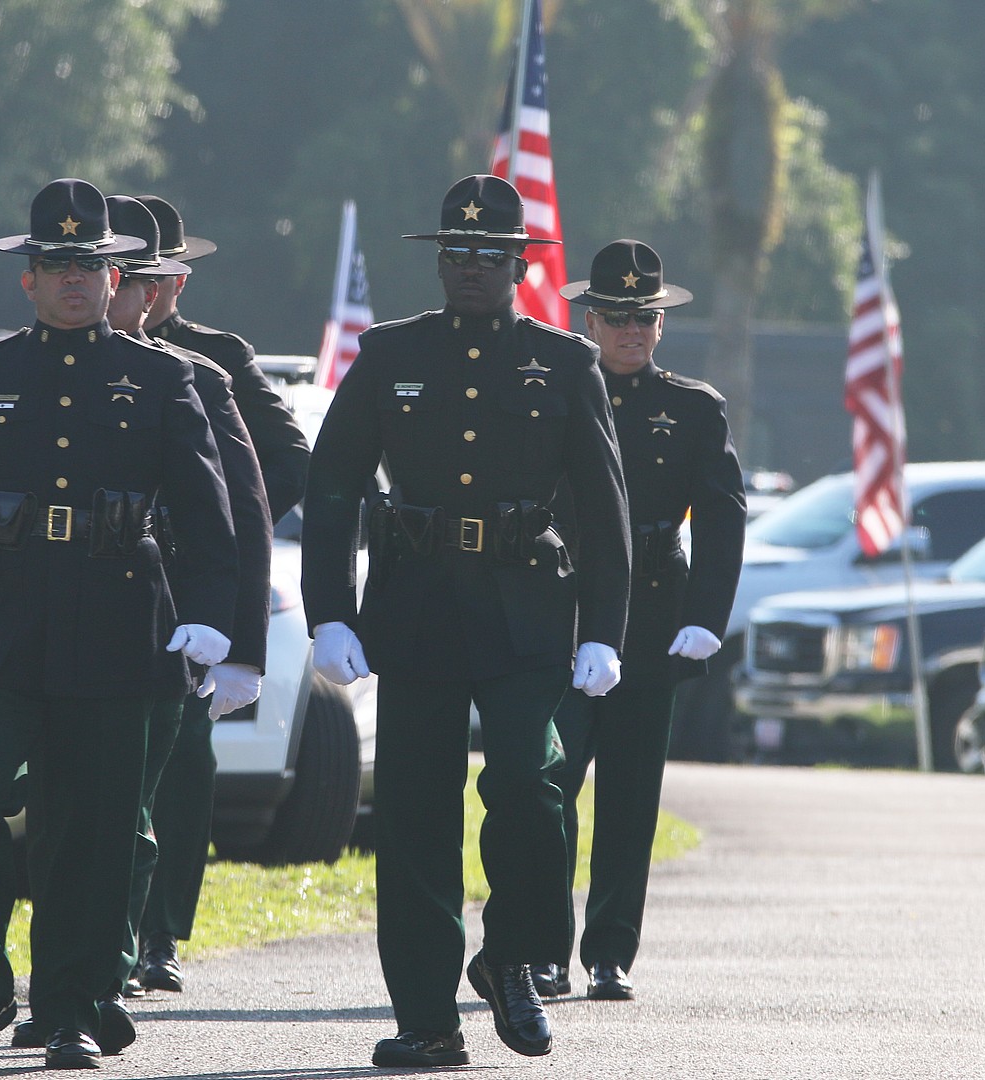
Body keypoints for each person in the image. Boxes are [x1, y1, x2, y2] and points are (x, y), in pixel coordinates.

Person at [0, 178, 238, 1070]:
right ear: (28, 280)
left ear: (117, 276)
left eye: (91, 264)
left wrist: (210, 620)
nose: (75, 280)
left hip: (123, 629)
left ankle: (74, 1002)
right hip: (7, 623)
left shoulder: (162, 378)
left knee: (98, 824)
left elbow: (207, 512)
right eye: (57, 265)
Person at [300, 174, 631, 1069]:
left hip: (527, 610)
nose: (472, 269)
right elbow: (330, 491)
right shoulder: (391, 354)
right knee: (413, 820)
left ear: (520, 263)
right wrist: (328, 613)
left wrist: (605, 628)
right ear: (441, 261)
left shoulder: (566, 363)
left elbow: (605, 513)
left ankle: (513, 956)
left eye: (490, 255)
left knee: (531, 787)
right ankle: (425, 1019)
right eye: (458, 254)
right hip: (415, 611)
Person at [4, 194, 274, 1051]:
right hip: (56, 625)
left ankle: (108, 970)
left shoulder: (197, 369)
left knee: (131, 809)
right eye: (123, 279)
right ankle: (86, 981)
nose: (134, 297)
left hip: (160, 622)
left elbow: (250, 506)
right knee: (68, 811)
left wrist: (222, 614)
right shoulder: (41, 365)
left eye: (140, 280)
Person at [532, 240, 745, 1004]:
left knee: (630, 796)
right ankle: (545, 950)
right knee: (548, 786)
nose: (631, 330)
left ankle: (609, 953)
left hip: (653, 613)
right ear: (590, 320)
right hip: (566, 609)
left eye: (644, 317)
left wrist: (706, 618)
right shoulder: (556, 395)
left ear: (660, 325)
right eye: (617, 316)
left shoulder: (691, 407)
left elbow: (723, 518)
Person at [133, 193, 313, 994]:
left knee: (178, 762)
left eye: (158, 273)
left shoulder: (215, 359)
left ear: (178, 280)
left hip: (184, 578)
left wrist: (219, 526)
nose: (145, 287)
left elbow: (286, 459)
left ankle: (161, 931)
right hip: (100, 573)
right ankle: (101, 930)